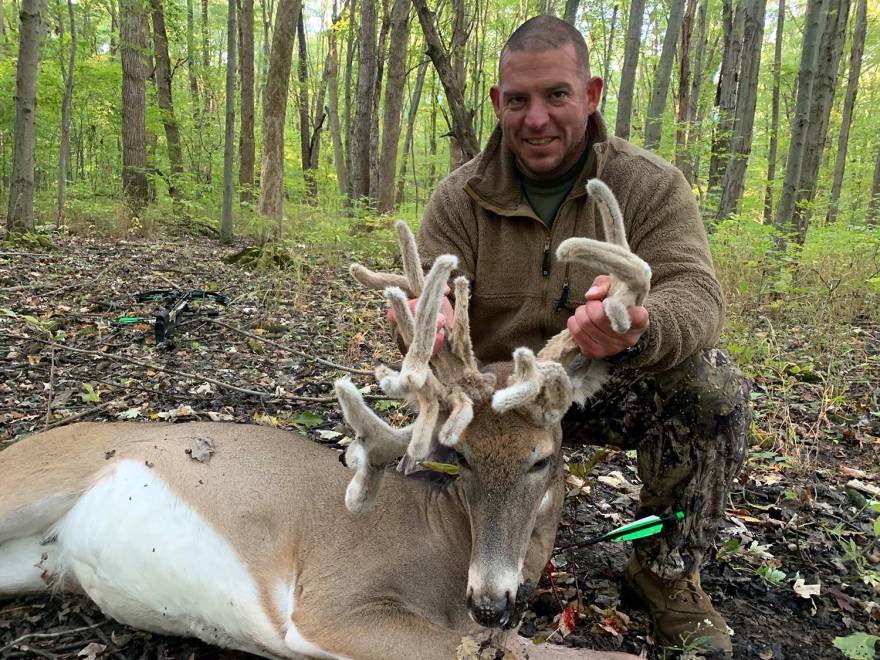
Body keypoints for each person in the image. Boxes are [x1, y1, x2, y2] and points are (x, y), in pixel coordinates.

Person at [400, 14, 750, 658]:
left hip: (597, 381)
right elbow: (427, 293)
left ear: (590, 95)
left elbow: (697, 297)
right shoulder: (460, 199)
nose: (536, 118)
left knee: (713, 388)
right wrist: (432, 323)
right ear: (497, 104)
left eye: (556, 95)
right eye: (518, 100)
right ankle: (461, 548)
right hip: (494, 404)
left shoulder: (649, 186)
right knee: (410, 445)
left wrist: (638, 328)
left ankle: (663, 573)